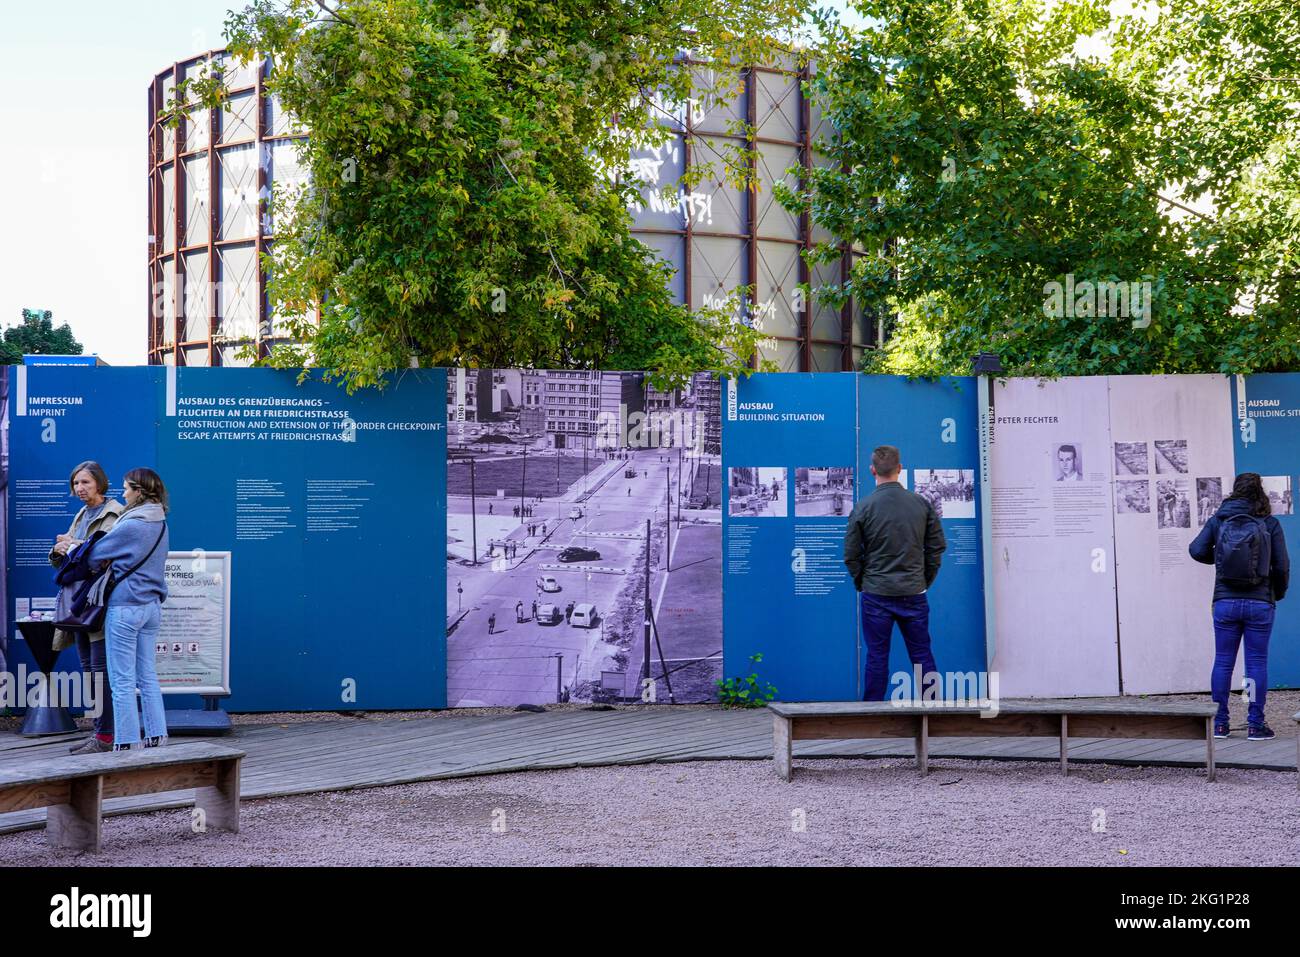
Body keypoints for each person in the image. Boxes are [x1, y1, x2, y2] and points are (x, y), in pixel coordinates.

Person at [1189, 472, 1289, 740]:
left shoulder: (1219, 519)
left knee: (1223, 661)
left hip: (1225, 601)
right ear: (1260, 492)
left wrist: (1221, 559)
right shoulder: (1269, 523)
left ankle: (1220, 723)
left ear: (1234, 491)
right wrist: (1275, 594)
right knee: (1255, 663)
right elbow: (1281, 566)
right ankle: (1255, 724)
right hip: (1260, 603)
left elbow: (1196, 550)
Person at [843, 445, 946, 701]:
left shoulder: (864, 507)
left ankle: (871, 716)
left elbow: (851, 555)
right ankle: (933, 713)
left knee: (877, 657)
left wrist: (863, 582)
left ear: (872, 470)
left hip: (876, 593)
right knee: (922, 654)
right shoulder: (921, 504)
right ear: (899, 469)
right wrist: (924, 581)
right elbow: (936, 548)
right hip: (913, 591)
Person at [87, 468, 170, 752]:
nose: (122, 494)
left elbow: (95, 554)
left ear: (139, 490)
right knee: (147, 676)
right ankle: (157, 736)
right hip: (151, 607)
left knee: (121, 681)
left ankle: (126, 742)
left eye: (126, 488)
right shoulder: (160, 521)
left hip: (126, 607)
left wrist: (74, 546)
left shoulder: (132, 523)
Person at [50, 461, 124, 754]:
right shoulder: (82, 513)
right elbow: (71, 556)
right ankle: (99, 732)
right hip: (77, 602)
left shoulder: (114, 514)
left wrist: (75, 546)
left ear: (100, 484)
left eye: (85, 483)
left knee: (99, 670)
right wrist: (58, 550)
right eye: (76, 484)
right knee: (86, 668)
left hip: (98, 602)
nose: (80, 489)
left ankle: (106, 735)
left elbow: (109, 557)